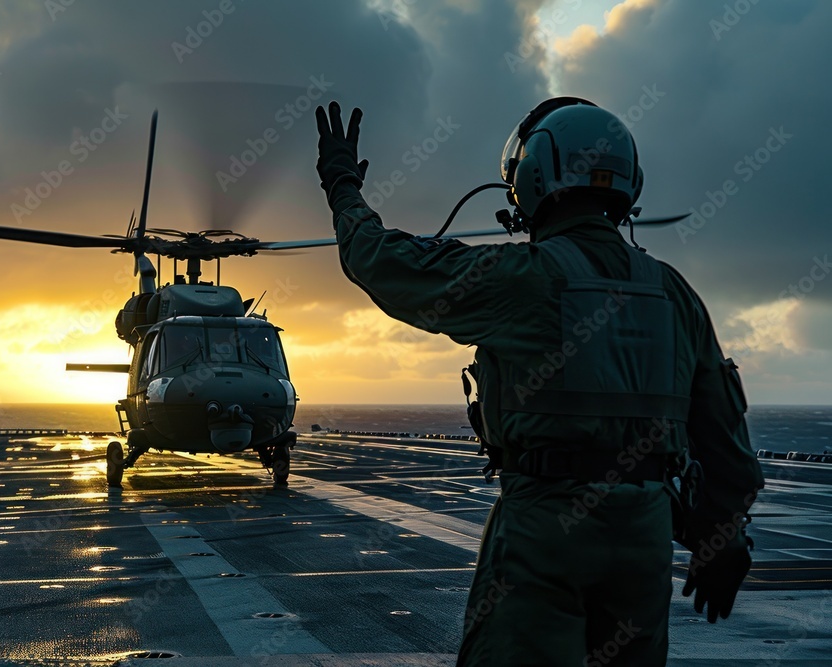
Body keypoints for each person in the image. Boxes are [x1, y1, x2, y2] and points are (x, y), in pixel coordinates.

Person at [315, 98, 764, 666]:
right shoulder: (673, 293)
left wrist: (341, 185)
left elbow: (383, 262)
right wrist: (723, 536)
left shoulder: (522, 278)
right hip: (644, 541)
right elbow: (725, 439)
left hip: (547, 528)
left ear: (535, 175)